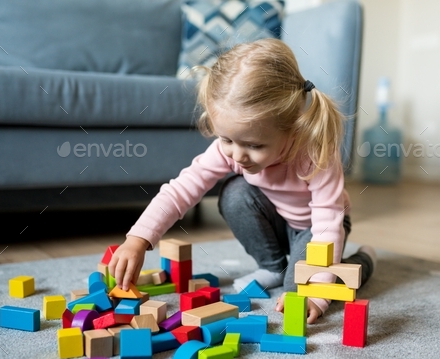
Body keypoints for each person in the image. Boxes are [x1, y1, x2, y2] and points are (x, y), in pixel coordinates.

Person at [108, 38, 376, 324]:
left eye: (254, 145)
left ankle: (363, 261)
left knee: (298, 291)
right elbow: (181, 190)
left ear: (291, 126)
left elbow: (327, 221)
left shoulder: (315, 150)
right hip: (278, 219)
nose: (238, 155)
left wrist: (318, 290)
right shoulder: (234, 149)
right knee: (235, 192)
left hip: (318, 229)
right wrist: (138, 239)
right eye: (226, 139)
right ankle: (273, 266)